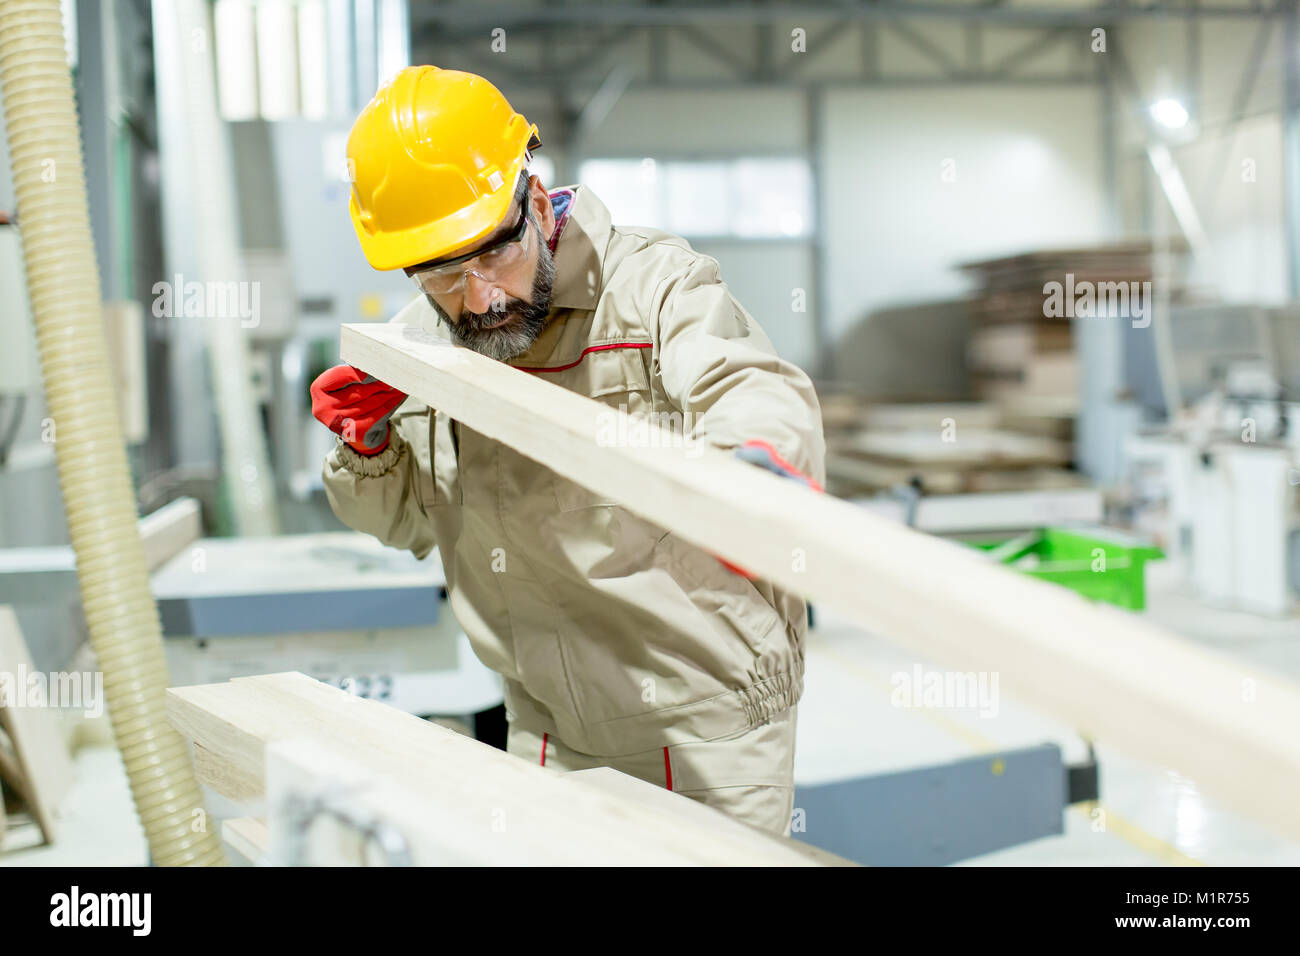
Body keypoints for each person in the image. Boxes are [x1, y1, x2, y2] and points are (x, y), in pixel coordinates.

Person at [311, 65, 825, 837]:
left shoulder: (654, 288)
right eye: (444, 274)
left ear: (533, 196)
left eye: (494, 254)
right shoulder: (429, 345)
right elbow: (403, 524)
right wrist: (368, 446)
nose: (481, 298)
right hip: (544, 727)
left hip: (703, 727)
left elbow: (748, 387)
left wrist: (754, 479)